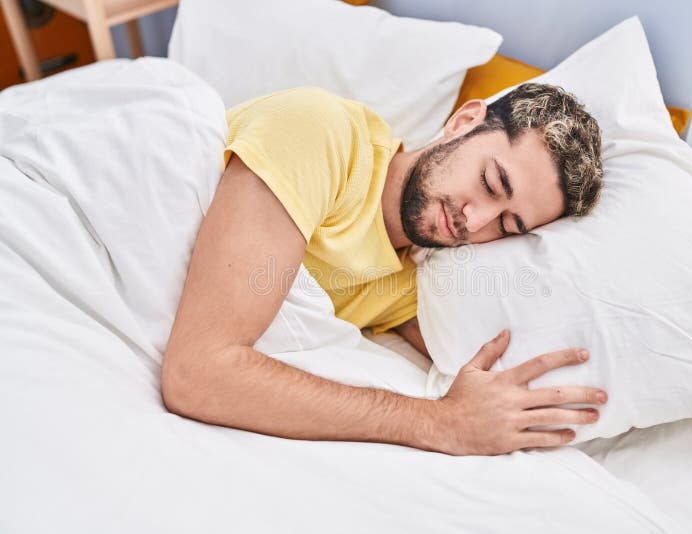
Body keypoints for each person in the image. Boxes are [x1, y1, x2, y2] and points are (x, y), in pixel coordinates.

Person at [161, 82, 606, 456]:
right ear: (464, 121)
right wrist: (438, 422)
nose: (475, 221)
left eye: (507, 226)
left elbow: (488, 371)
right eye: (490, 183)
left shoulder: (405, 286)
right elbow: (197, 373)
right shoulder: (321, 135)